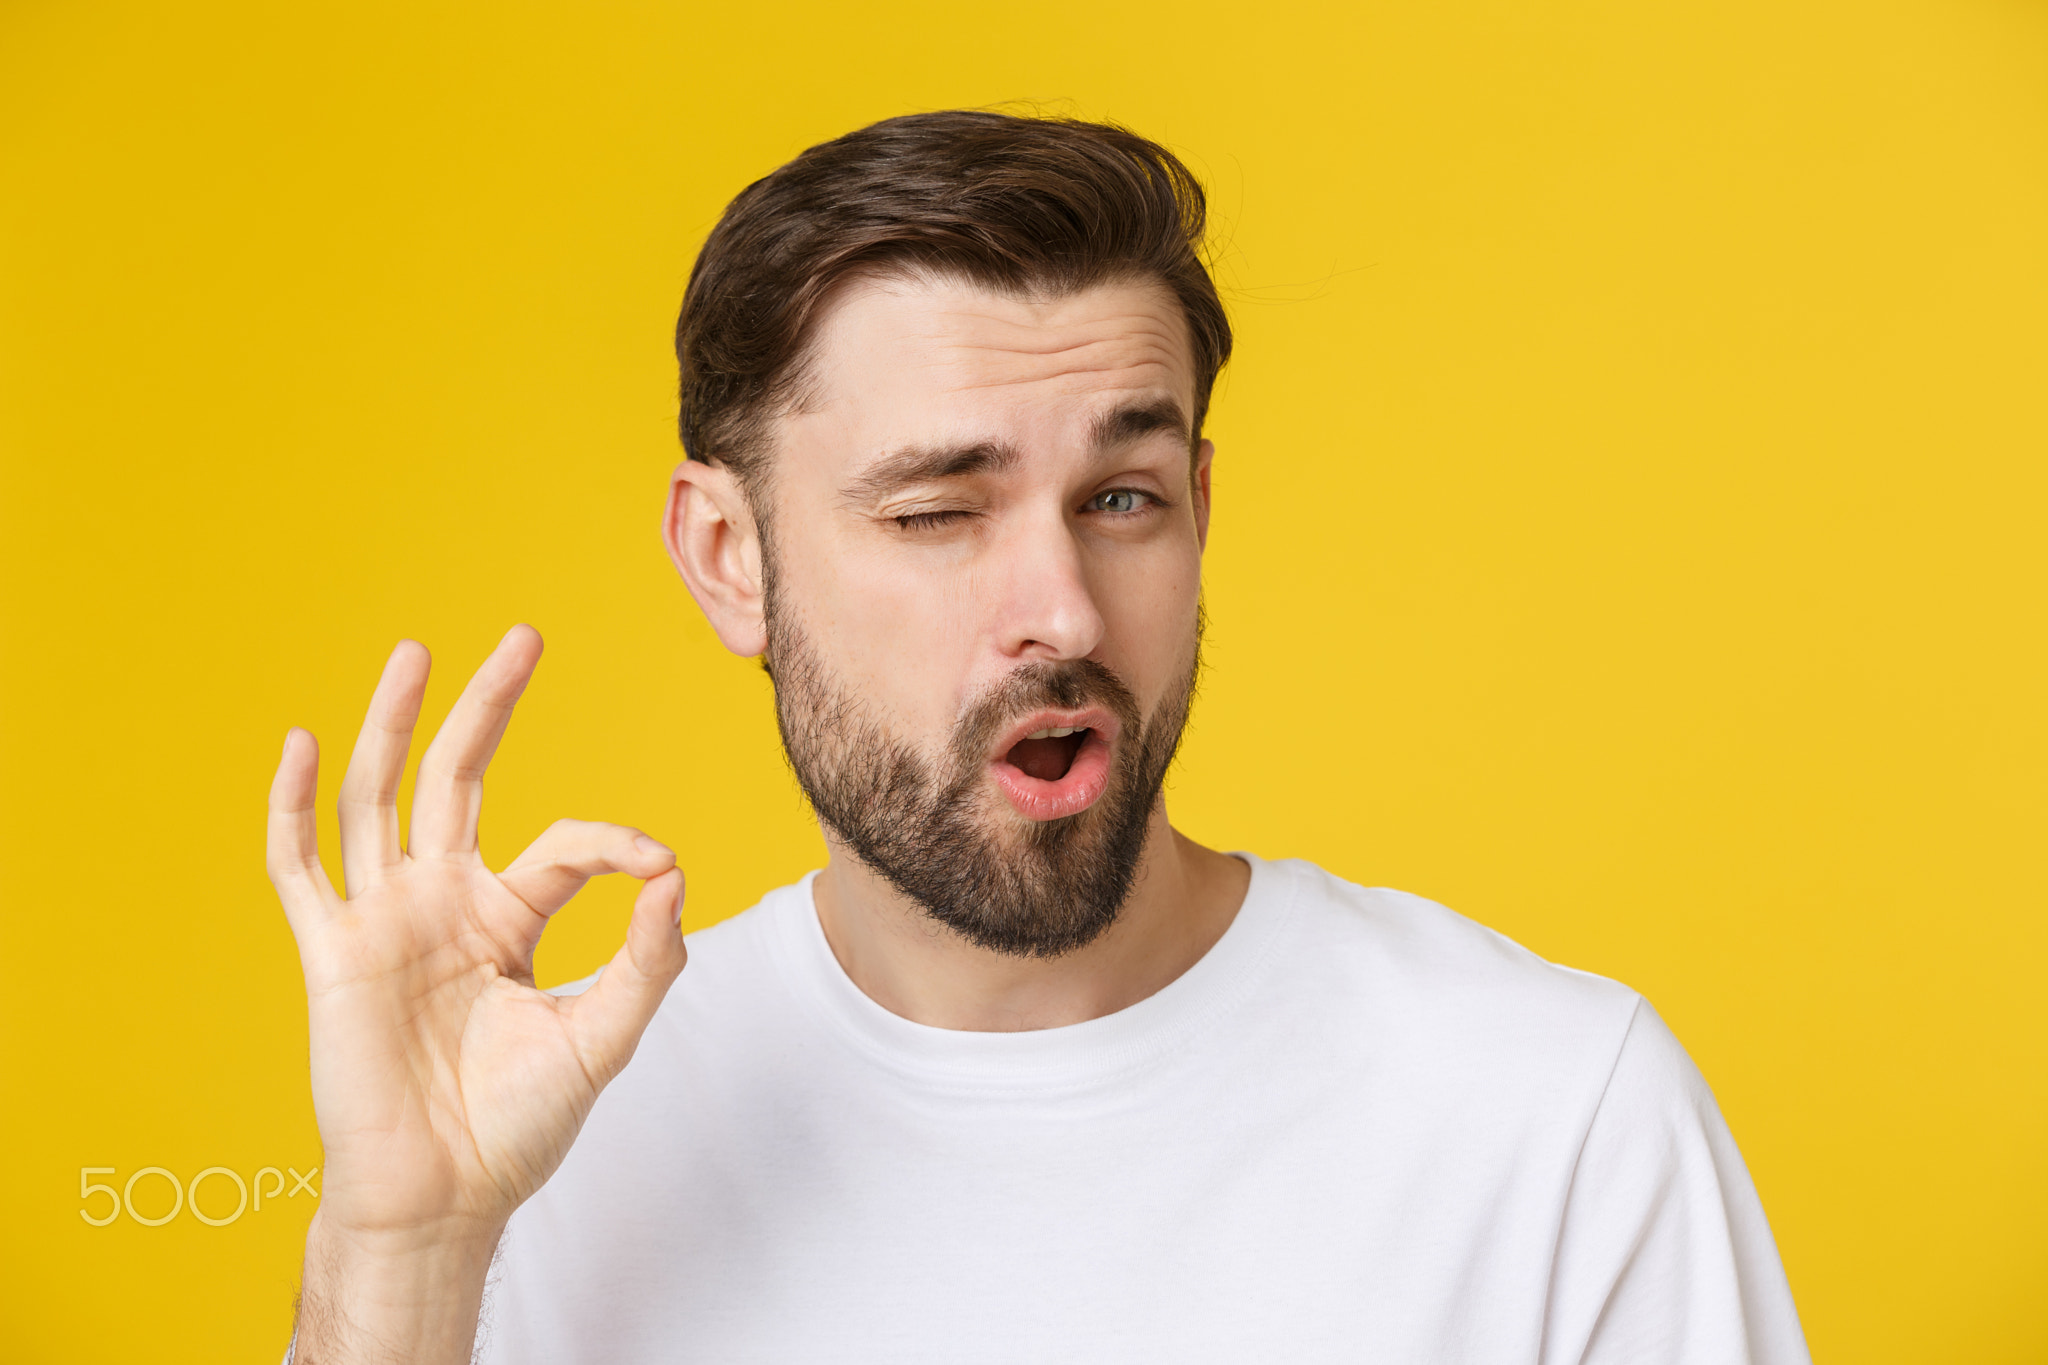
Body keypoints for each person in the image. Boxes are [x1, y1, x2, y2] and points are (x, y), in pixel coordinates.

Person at [266, 111, 1810, 1363]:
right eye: (939, 511)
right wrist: (400, 1252)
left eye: (1122, 500)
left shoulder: (1551, 1113)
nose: (1060, 613)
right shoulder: (552, 1138)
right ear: (728, 556)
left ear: (1201, 510)